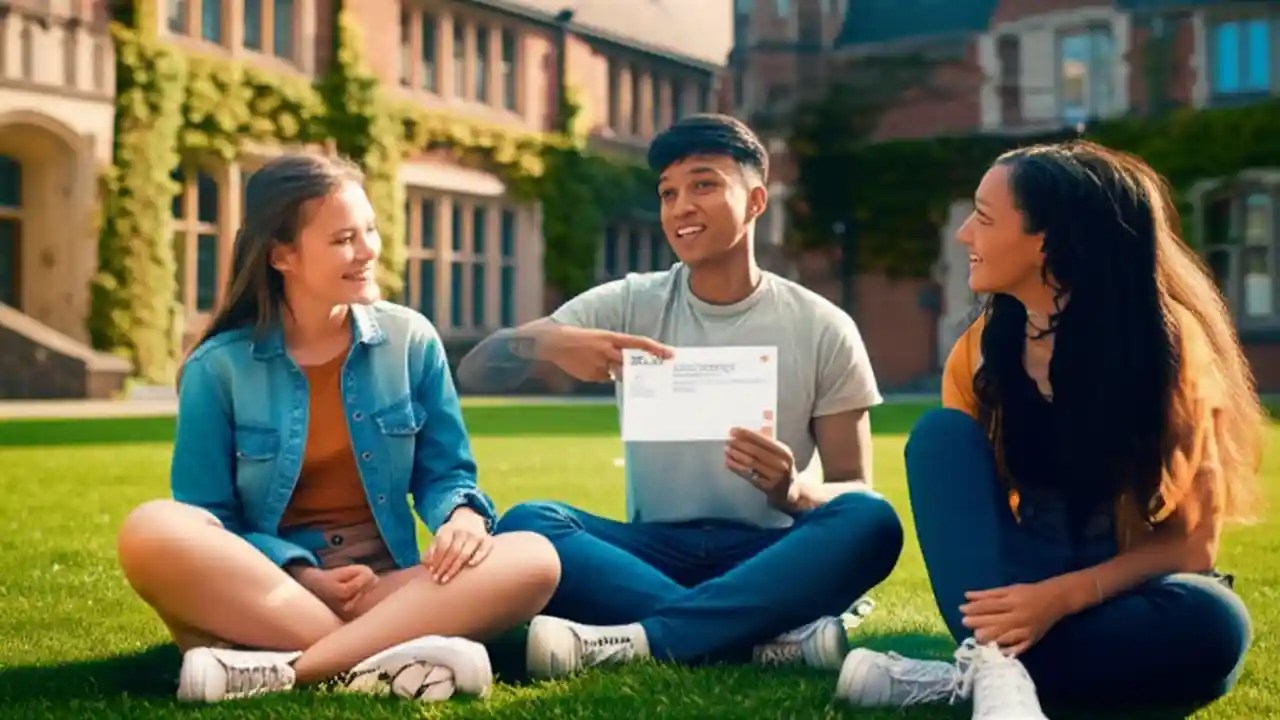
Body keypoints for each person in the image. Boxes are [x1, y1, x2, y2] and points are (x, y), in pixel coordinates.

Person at [456, 113, 903, 679]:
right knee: (527, 523)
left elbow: (853, 486)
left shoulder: (823, 326)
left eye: (704, 184)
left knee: (872, 520)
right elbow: (475, 368)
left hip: (769, 554)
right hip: (648, 551)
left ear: (757, 200)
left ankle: (641, 637)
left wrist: (792, 490)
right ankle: (760, 639)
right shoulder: (631, 301)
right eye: (668, 193)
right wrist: (548, 342)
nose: (680, 207)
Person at [115, 152, 561, 704]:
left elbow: (446, 472)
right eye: (344, 238)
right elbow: (213, 518)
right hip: (273, 592)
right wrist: (300, 574)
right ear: (283, 256)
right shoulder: (218, 369)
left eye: (369, 230)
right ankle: (385, 659)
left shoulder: (410, 342)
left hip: (393, 592)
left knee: (534, 558)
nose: (369, 249)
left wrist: (463, 515)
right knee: (152, 528)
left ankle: (282, 670)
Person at [835, 141, 1260, 717]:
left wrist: (1059, 599)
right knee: (938, 439)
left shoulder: (1165, 346)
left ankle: (972, 676)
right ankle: (997, 667)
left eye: (984, 220)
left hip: (1124, 587)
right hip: (1013, 579)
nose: (965, 236)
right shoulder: (978, 352)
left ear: (1050, 240)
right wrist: (1027, 599)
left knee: (1216, 625)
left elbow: (1192, 545)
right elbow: (966, 509)